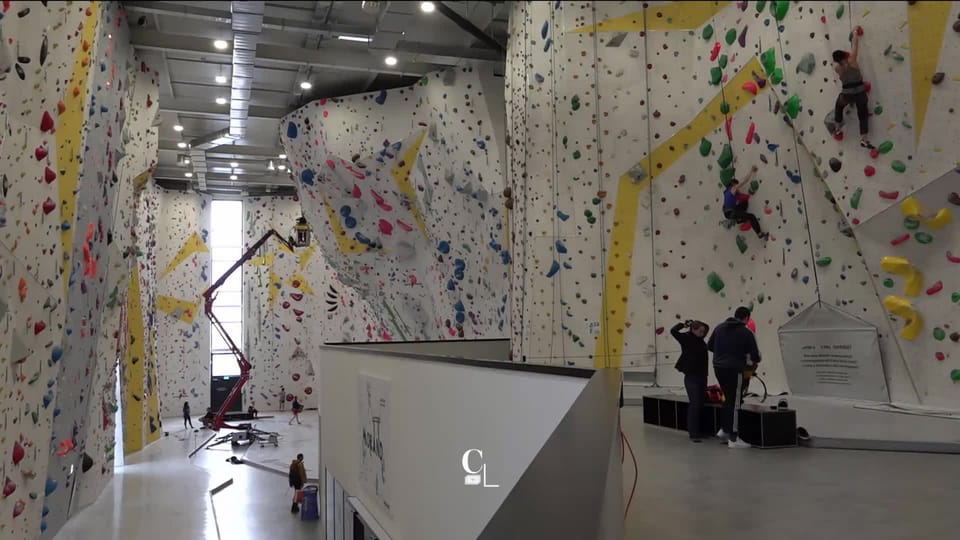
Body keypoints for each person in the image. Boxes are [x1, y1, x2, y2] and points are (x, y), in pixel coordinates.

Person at [707, 306, 762, 449]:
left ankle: (725, 430)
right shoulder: (746, 332)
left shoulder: (719, 328)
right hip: (735, 370)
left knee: (727, 399)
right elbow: (756, 356)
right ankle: (734, 437)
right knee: (736, 402)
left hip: (718, 368)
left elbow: (710, 346)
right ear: (747, 318)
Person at [831, 27, 872, 148]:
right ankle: (864, 139)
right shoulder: (852, 59)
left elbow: (839, 65)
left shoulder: (837, 68)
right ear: (844, 55)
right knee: (862, 114)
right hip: (860, 91)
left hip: (847, 95)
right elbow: (854, 44)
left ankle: (837, 129)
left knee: (839, 107)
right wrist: (855, 32)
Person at [671, 319, 711, 442]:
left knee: (701, 404)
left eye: (703, 331)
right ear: (693, 329)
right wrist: (683, 324)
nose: (702, 333)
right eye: (700, 331)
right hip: (691, 376)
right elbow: (673, 331)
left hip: (702, 376)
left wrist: (701, 325)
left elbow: (707, 327)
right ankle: (693, 433)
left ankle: (700, 430)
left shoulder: (701, 341)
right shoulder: (686, 338)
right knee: (694, 404)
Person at [722, 167, 769, 240]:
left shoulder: (726, 192)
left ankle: (739, 219)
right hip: (731, 212)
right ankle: (759, 233)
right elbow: (744, 181)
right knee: (751, 216)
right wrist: (751, 171)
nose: (738, 188)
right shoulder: (733, 189)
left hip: (728, 212)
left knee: (744, 203)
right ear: (733, 184)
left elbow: (733, 201)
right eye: (736, 186)